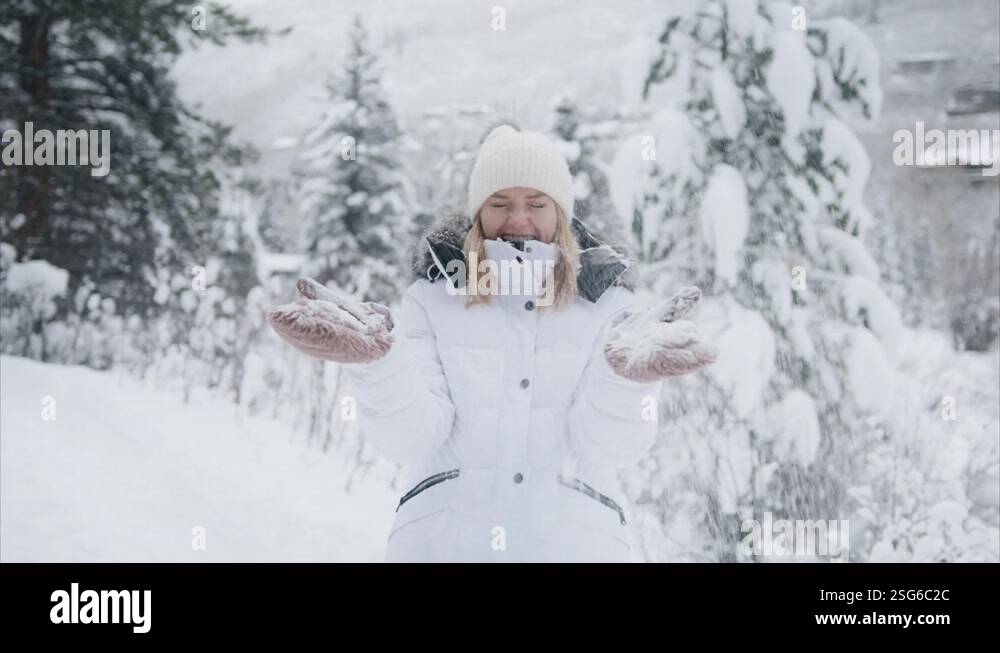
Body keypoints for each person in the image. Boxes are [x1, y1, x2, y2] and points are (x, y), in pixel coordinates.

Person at [268, 124, 718, 562]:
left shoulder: (607, 302)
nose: (517, 219)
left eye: (536, 204)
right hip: (445, 545)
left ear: (560, 213)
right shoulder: (435, 295)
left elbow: (607, 449)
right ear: (478, 212)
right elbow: (410, 439)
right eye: (500, 202)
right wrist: (378, 365)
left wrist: (626, 384)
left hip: (573, 546)